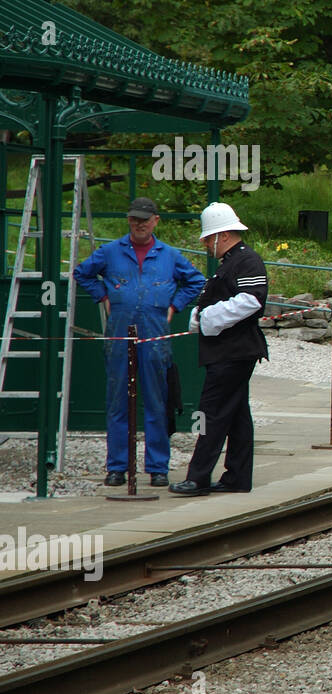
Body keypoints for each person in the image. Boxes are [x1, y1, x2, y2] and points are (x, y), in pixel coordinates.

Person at [73, 197, 206, 488]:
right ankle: (117, 467)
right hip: (120, 334)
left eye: (145, 219)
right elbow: (81, 272)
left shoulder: (169, 255)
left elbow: (197, 281)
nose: (139, 224)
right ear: (128, 220)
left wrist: (175, 306)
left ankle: (158, 467)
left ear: (156, 220)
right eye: (134, 219)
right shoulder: (110, 252)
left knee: (157, 401)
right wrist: (104, 297)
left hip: (156, 336)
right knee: (118, 400)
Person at [170, 202, 269, 496]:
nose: (204, 243)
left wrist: (206, 317)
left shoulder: (246, 261)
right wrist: (202, 316)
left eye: (207, 237)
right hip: (231, 352)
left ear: (223, 235)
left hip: (232, 352)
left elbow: (251, 301)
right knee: (237, 415)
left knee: (210, 414)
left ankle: (198, 477)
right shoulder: (233, 262)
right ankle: (237, 477)